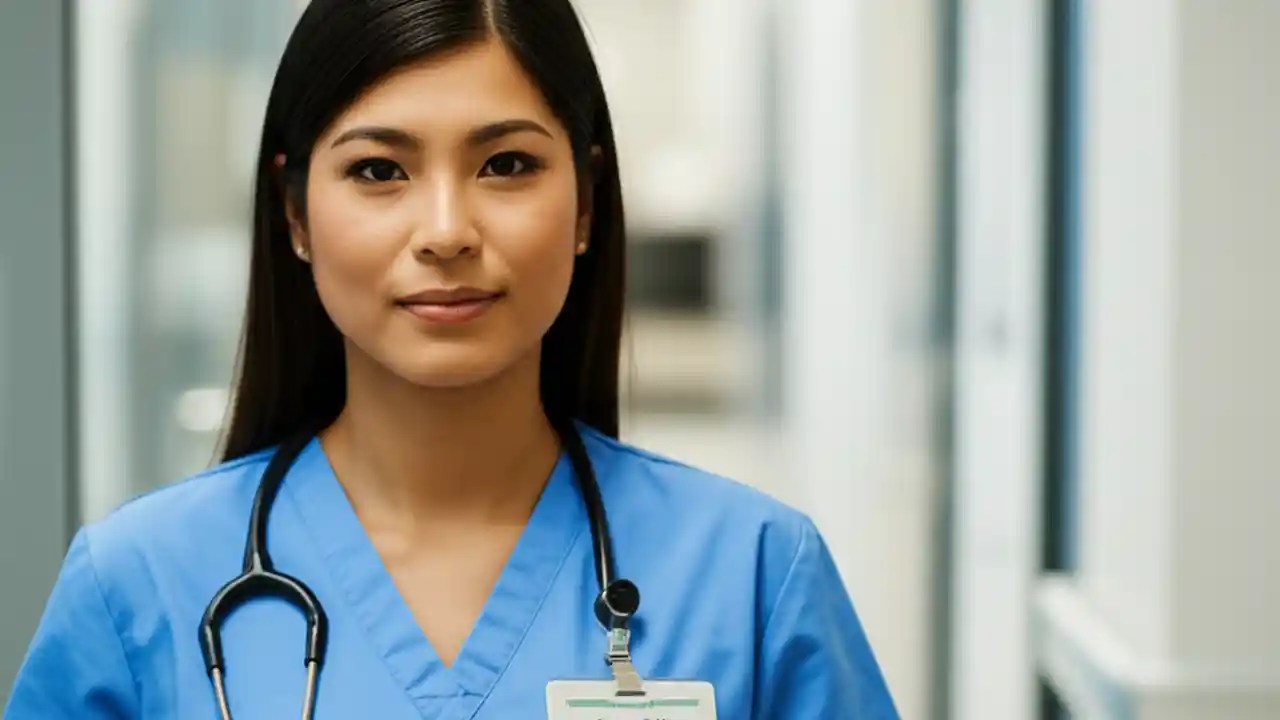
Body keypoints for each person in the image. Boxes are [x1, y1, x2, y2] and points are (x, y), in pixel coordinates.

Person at [6, 1, 897, 717]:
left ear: (586, 204)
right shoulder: (139, 585)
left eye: (506, 164)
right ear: (295, 216)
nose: (445, 232)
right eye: (379, 171)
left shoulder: (752, 575)